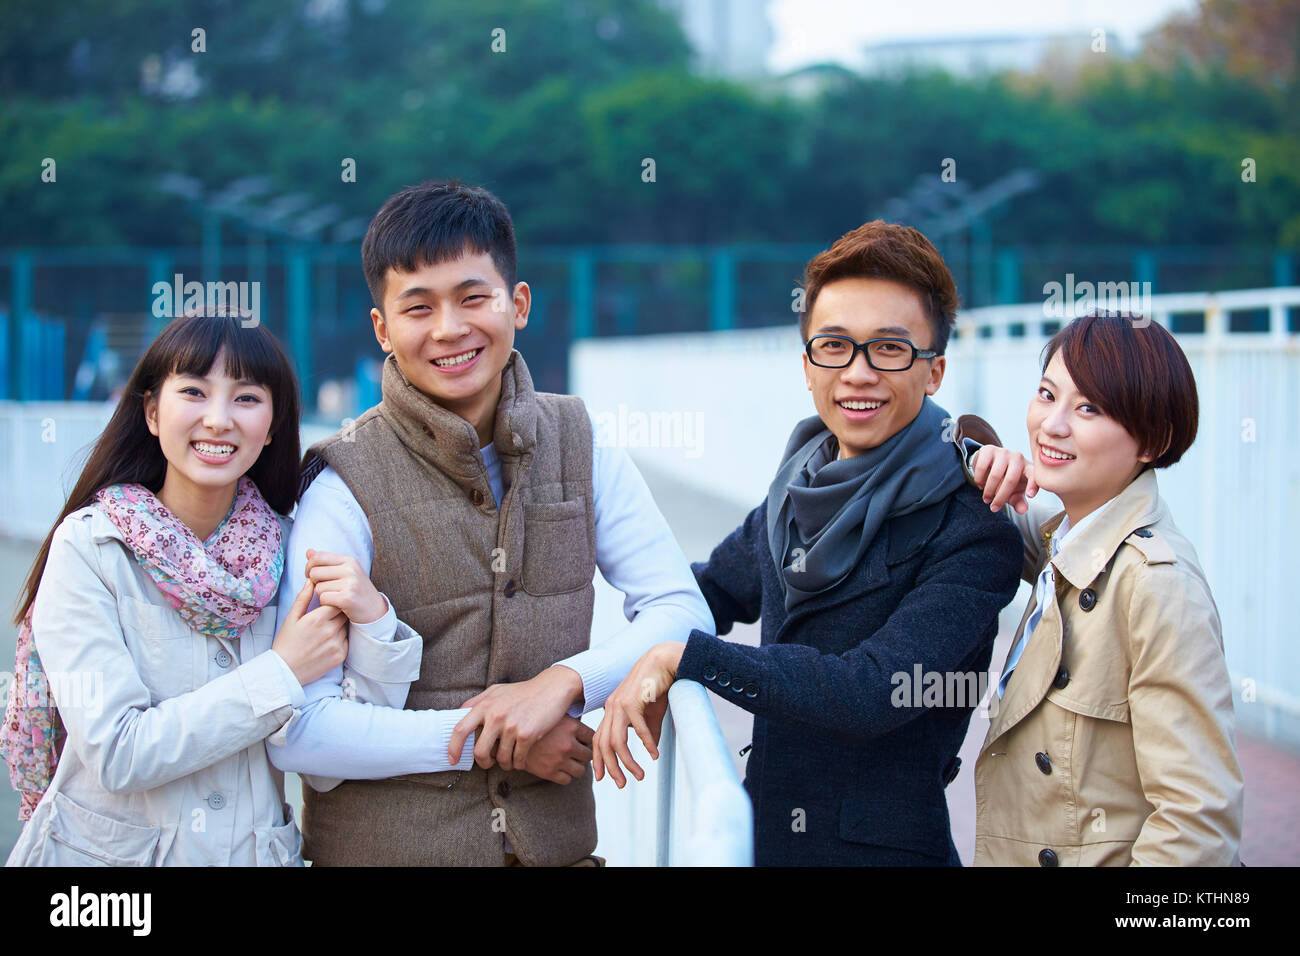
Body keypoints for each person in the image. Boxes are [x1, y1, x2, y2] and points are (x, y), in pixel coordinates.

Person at [266, 180, 713, 866]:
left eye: (473, 298)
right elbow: (299, 726)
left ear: (519, 303)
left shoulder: (582, 443)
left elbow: (682, 610)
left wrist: (565, 684)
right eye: (418, 307)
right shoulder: (340, 481)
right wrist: (491, 737)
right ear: (383, 329)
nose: (449, 329)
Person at [592, 220, 1024, 865]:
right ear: (806, 363)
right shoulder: (800, 482)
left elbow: (872, 690)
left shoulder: (973, 526)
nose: (857, 373)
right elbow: (706, 590)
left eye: (889, 350)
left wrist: (686, 656)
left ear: (934, 372)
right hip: (766, 835)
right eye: (834, 347)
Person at [3, 312, 420, 866]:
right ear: (151, 410)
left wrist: (374, 625)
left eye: (247, 398)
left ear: (272, 425)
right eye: (194, 392)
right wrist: (280, 673)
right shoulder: (91, 549)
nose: (219, 420)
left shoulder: (295, 553)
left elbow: (329, 766)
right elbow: (117, 752)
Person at [965, 312, 1244, 866]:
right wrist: (984, 456)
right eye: (1047, 394)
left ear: (1152, 441)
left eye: (1089, 408)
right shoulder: (1069, 538)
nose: (1052, 426)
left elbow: (1198, 823)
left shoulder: (1157, 584)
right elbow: (979, 491)